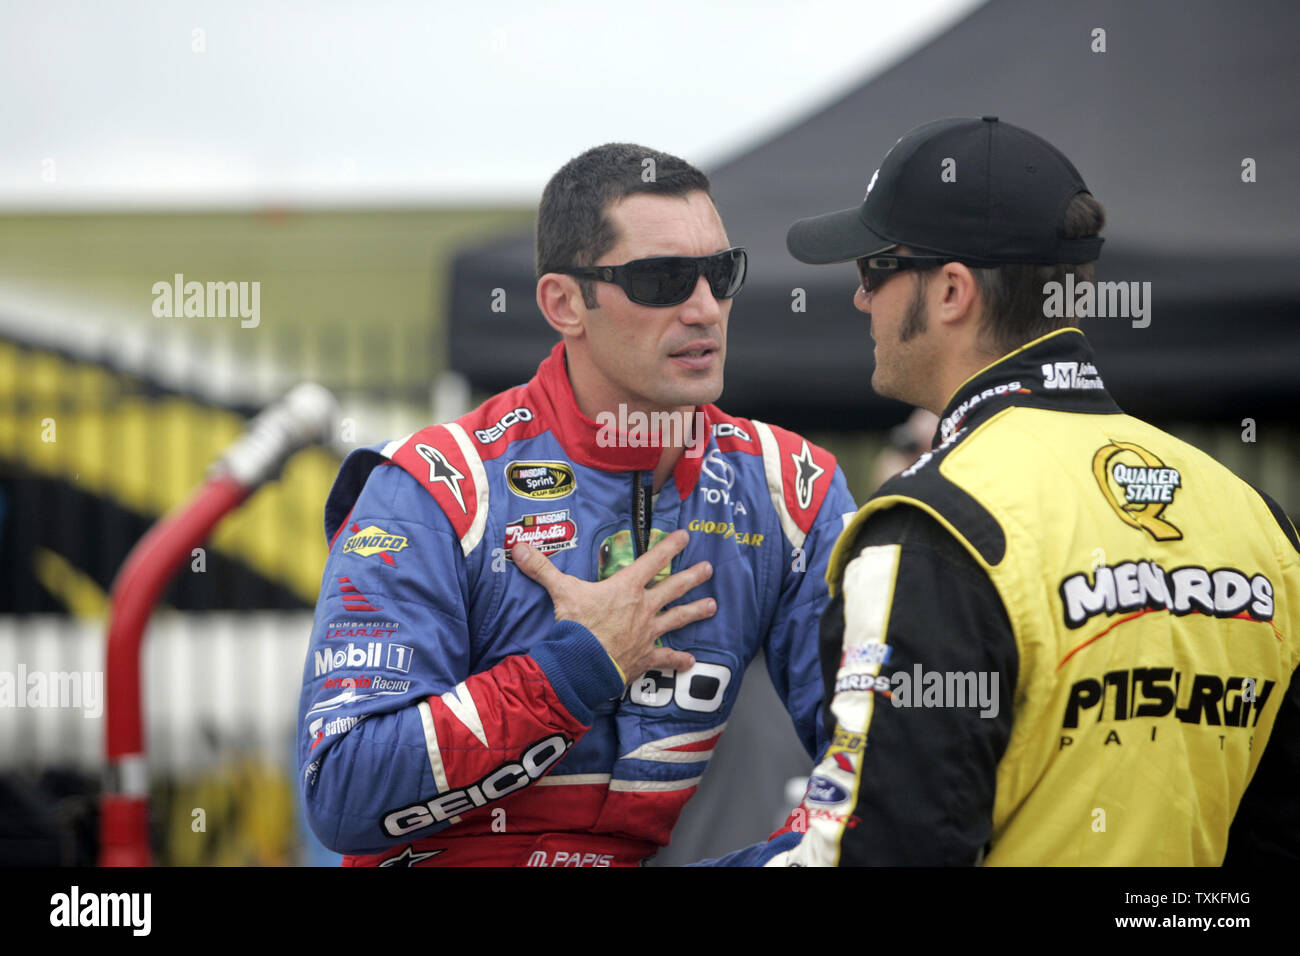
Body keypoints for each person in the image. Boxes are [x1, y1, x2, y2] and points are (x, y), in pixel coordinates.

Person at [717, 116, 1299, 866]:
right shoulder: (1257, 520)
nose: (862, 302)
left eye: (874, 272)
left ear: (953, 290)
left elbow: (874, 855)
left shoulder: (932, 527)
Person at [297, 143, 856, 866]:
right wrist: (575, 666)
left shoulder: (787, 489)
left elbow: (876, 758)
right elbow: (342, 792)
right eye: (661, 280)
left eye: (722, 275)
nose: (704, 308)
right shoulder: (440, 486)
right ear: (564, 303)